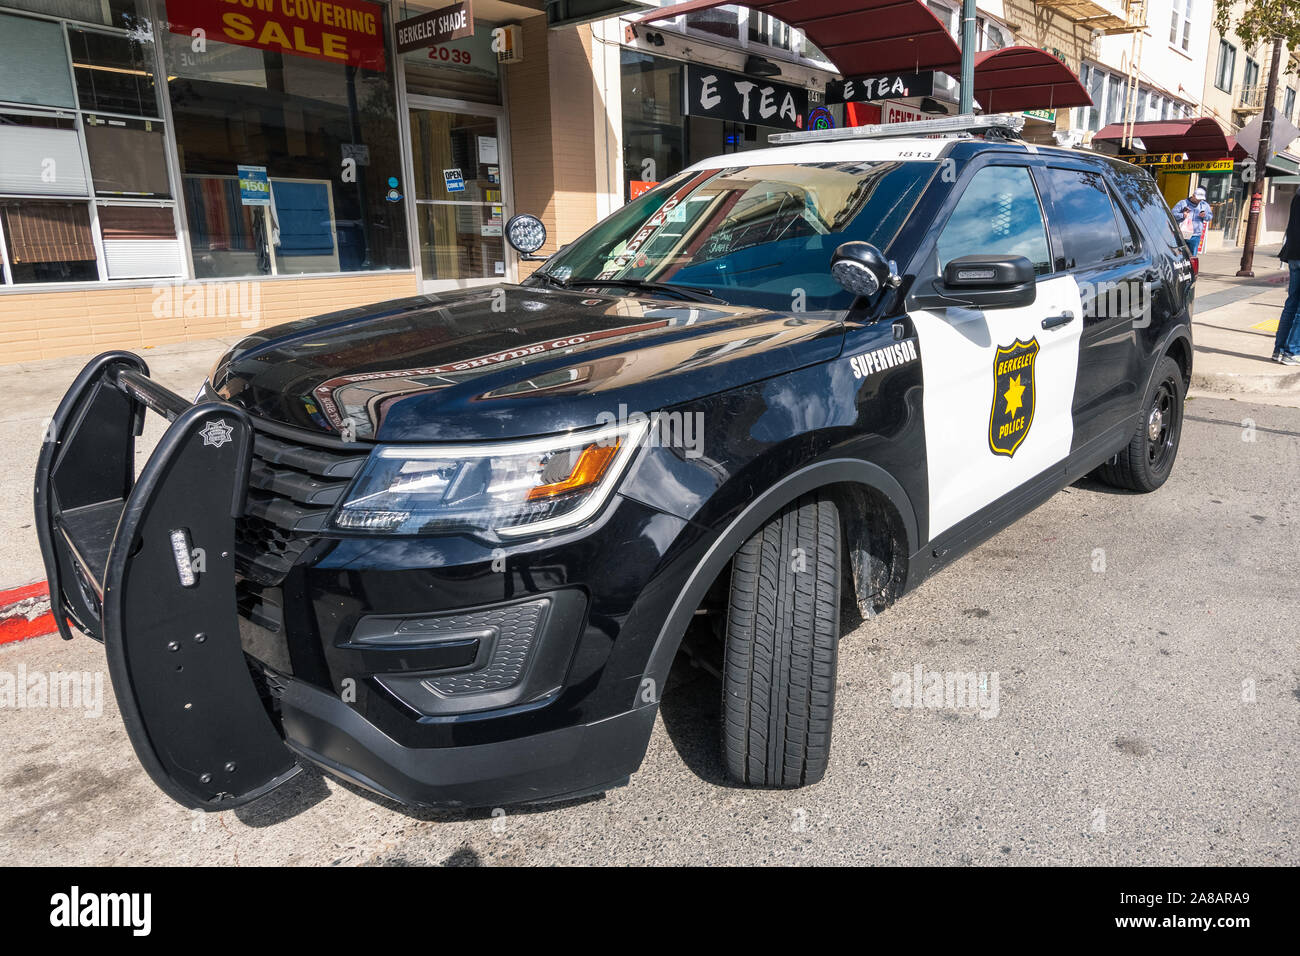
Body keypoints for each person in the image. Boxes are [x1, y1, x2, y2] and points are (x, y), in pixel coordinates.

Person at [1273, 188, 1300, 365]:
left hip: (1293, 254)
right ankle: (1292, 351)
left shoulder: (1297, 195)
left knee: (1291, 304)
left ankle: (1279, 349)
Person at [1172, 186, 1213, 257]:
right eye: (1198, 199)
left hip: (1195, 235)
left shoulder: (1204, 205)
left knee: (1192, 257)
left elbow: (1210, 217)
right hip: (1181, 234)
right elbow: (1172, 214)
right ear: (1193, 195)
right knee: (1179, 256)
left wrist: (1205, 216)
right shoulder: (1183, 203)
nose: (1199, 201)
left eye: (1201, 199)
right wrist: (1182, 215)